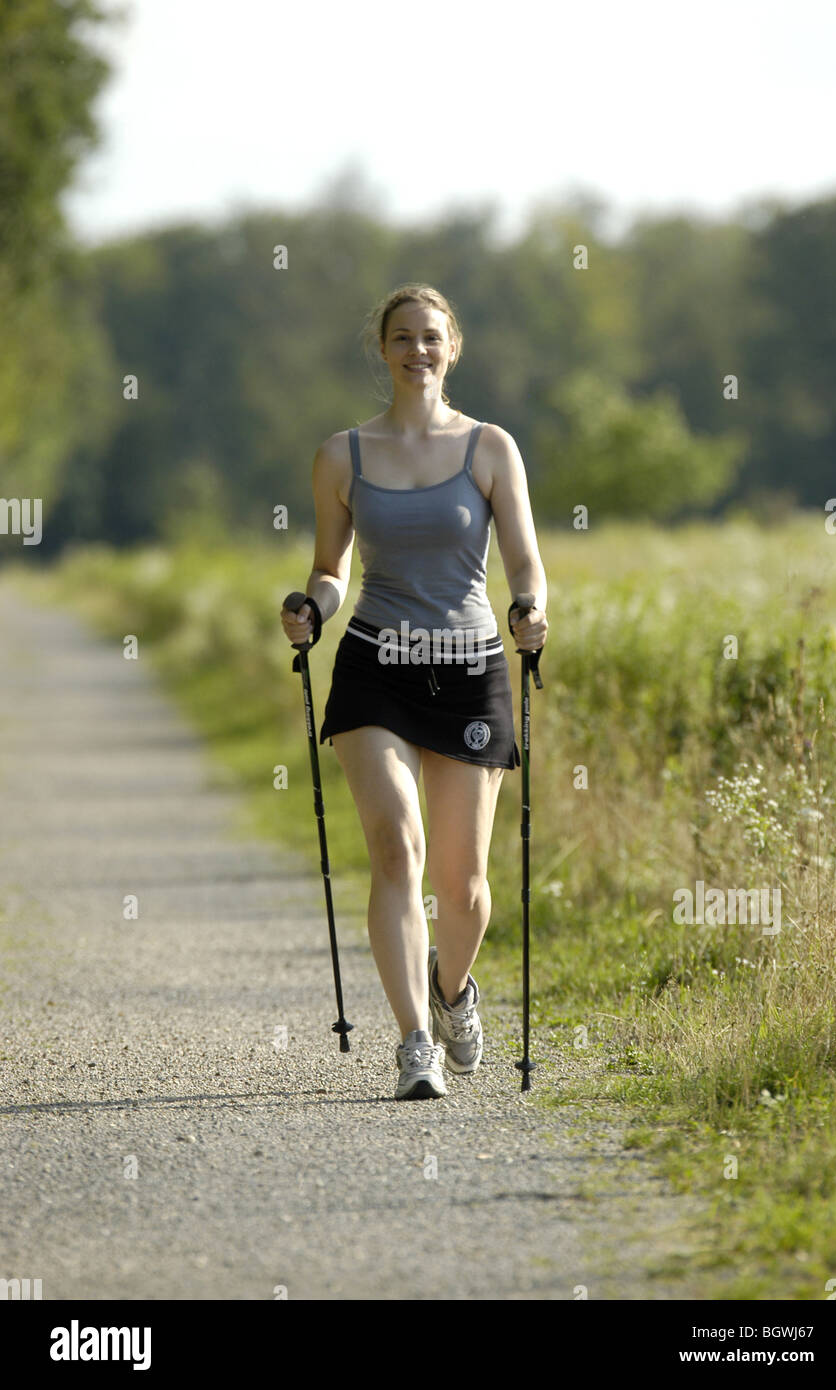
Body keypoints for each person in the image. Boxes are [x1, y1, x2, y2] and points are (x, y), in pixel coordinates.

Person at [281, 283, 547, 1100]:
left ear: (452, 347)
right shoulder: (342, 456)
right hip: (375, 667)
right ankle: (413, 1042)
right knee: (398, 848)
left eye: (431, 337)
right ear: (385, 350)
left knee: (463, 886)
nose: (418, 351)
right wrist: (310, 609)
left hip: (469, 671)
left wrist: (530, 611)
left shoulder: (490, 448)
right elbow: (332, 569)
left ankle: (453, 988)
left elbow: (525, 561)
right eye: (403, 338)